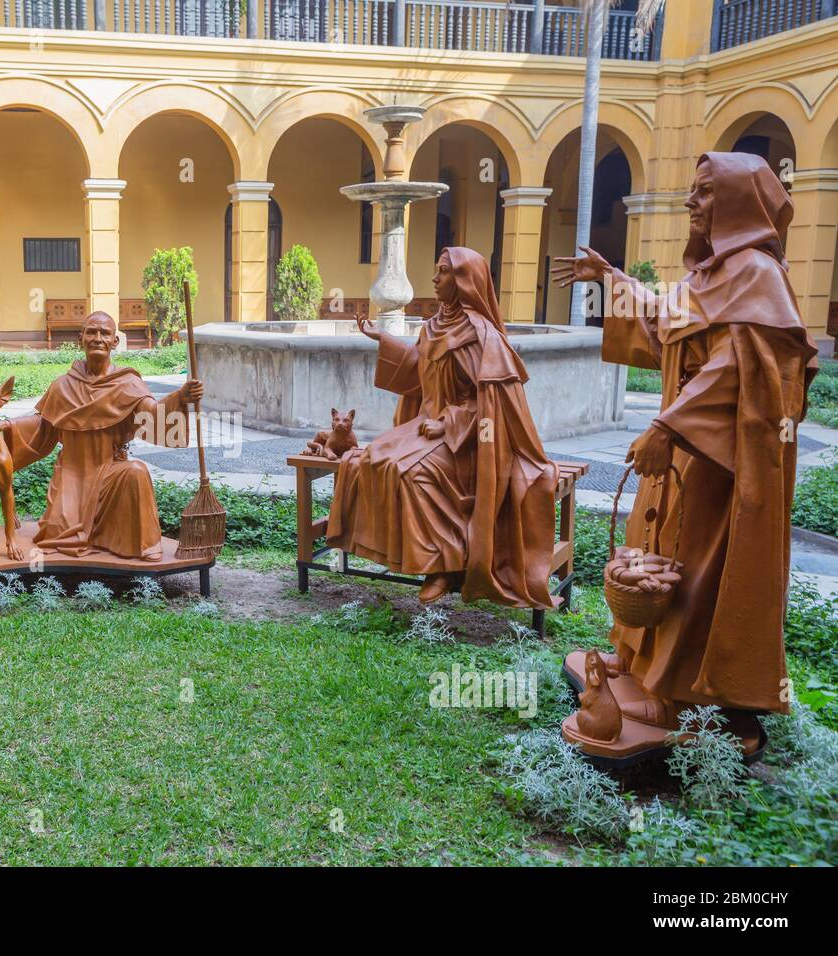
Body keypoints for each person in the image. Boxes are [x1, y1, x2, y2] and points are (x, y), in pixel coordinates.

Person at [551, 151, 819, 725]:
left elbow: (740, 370)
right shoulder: (713, 274)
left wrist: (668, 425)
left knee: (694, 568)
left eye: (703, 192)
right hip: (678, 454)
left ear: (738, 202)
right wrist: (615, 283)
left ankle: (684, 691)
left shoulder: (758, 276)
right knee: (651, 556)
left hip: (716, 462)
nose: (690, 203)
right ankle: (639, 661)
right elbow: (667, 328)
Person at [327, 247, 558, 607]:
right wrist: (382, 339)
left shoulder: (482, 336)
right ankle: (394, 552)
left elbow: (491, 408)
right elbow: (419, 369)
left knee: (413, 474)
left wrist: (449, 424)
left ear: (465, 281)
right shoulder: (434, 326)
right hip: (424, 425)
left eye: (444, 272)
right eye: (436, 271)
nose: (435, 278)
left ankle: (444, 566)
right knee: (366, 460)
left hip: (467, 441)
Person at [2, 311, 203, 560]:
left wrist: (179, 398)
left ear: (115, 341)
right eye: (91, 332)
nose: (98, 338)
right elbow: (42, 427)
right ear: (80, 339)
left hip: (110, 470)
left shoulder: (128, 384)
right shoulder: (62, 386)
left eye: (105, 333)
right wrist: (9, 427)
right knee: (59, 533)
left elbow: (151, 417)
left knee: (136, 471)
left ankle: (143, 545)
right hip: (72, 474)